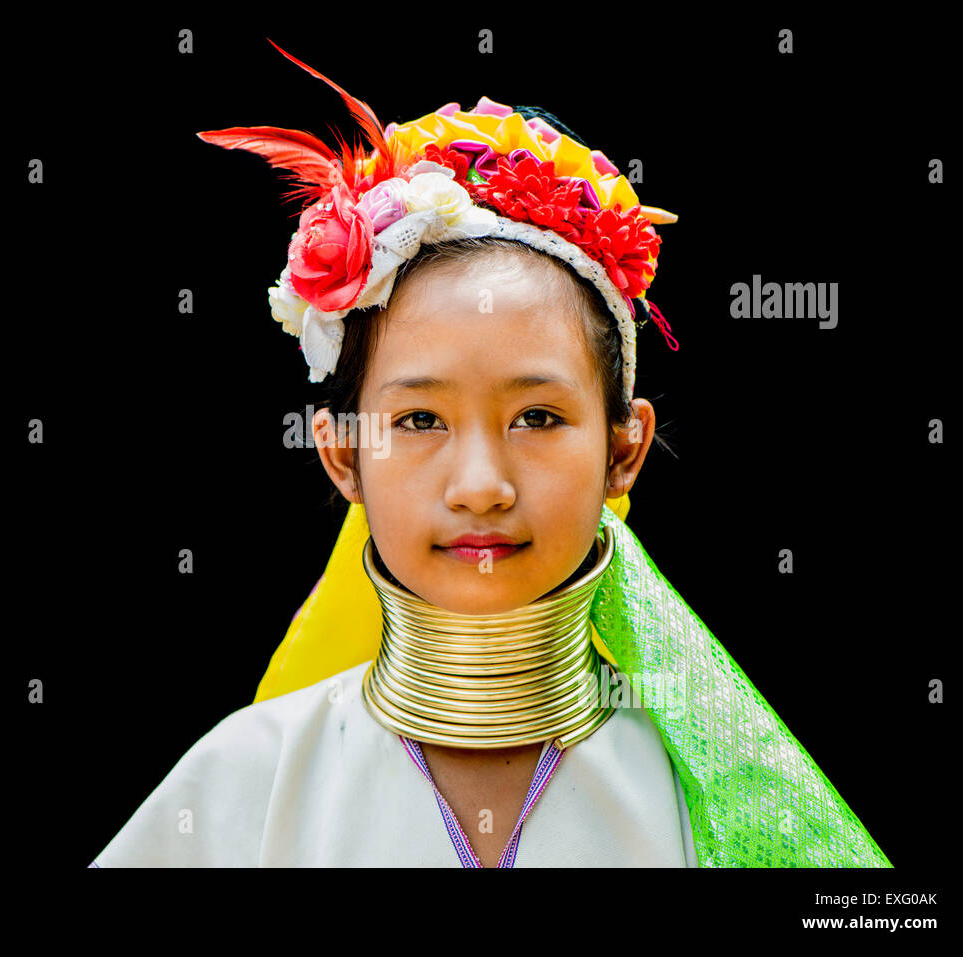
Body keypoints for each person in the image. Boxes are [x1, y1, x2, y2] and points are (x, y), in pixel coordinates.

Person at [90, 40, 891, 868]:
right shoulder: (243, 786)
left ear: (626, 449)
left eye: (538, 416)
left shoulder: (722, 797)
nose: (481, 487)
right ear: (341, 455)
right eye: (420, 420)